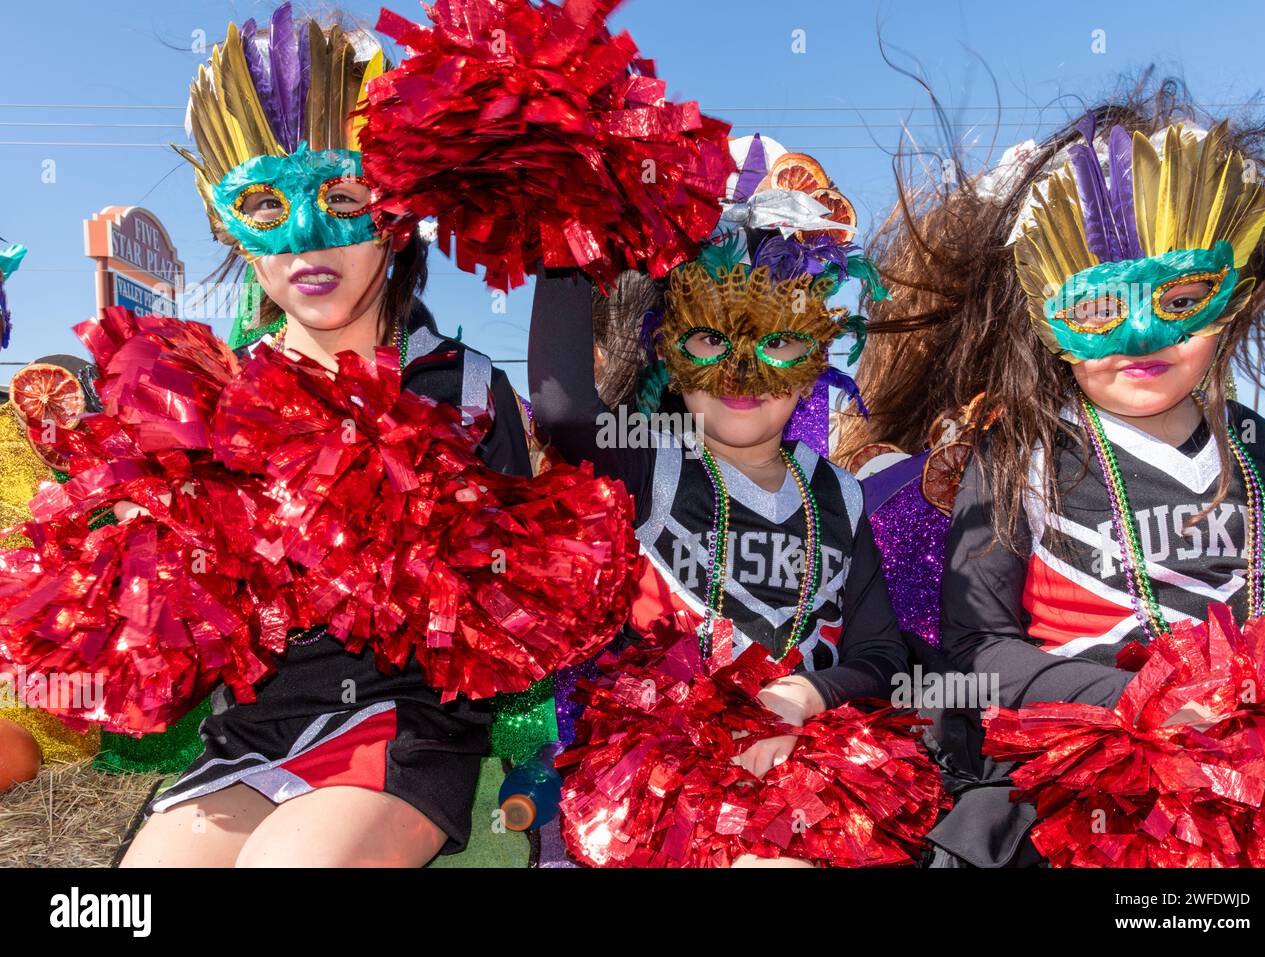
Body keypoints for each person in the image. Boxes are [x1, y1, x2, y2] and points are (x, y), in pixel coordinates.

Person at [117, 5, 539, 868]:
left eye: (341, 195)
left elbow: (516, 611)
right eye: (267, 203)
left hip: (402, 732)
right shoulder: (210, 396)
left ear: (396, 211)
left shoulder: (468, 392)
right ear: (227, 221)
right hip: (249, 736)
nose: (307, 235)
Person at [839, 81, 1265, 866]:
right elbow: (980, 650)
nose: (1144, 330)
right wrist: (1138, 703)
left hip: (1258, 786)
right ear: (1045, 310)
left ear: (1234, 291)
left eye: (1181, 293)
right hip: (1075, 793)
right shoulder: (1022, 453)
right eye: (1098, 306)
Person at [531, 136, 943, 867]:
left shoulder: (838, 494)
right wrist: (571, 202)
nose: (743, 373)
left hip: (811, 760)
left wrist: (805, 699)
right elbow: (562, 407)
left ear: (817, 356)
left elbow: (879, 653)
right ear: (669, 355)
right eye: (708, 341)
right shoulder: (645, 460)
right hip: (668, 776)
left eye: (779, 343)